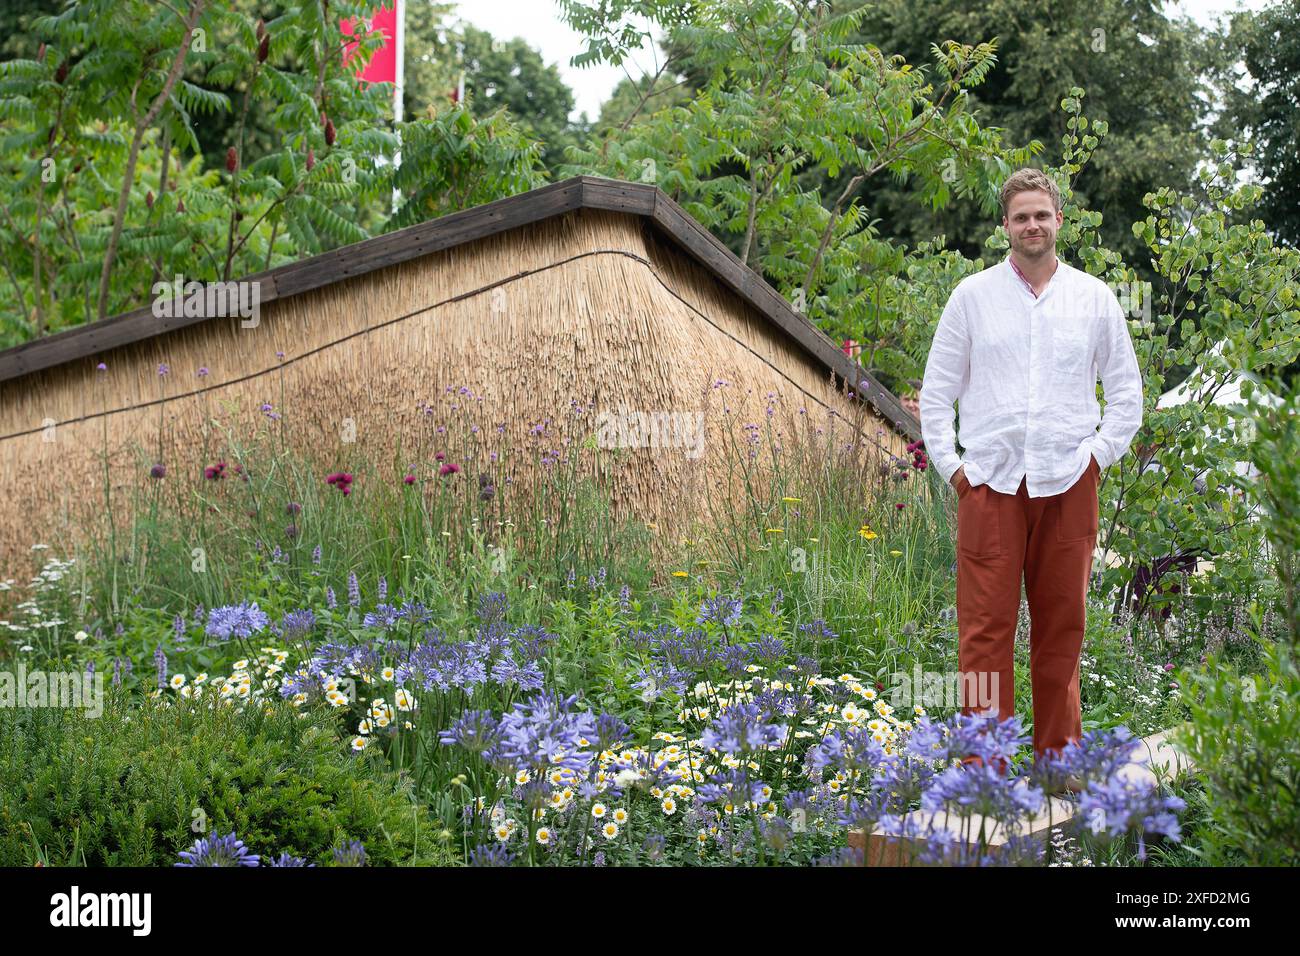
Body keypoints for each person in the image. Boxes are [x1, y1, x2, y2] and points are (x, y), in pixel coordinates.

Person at [919, 168, 1143, 784]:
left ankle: (1059, 765)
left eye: (1042, 214)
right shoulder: (971, 297)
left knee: (1062, 626)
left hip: (1069, 482)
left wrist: (1096, 459)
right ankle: (985, 771)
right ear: (1005, 227)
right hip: (990, 486)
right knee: (985, 634)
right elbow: (936, 397)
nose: (1032, 225)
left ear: (1058, 221)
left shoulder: (1094, 299)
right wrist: (956, 471)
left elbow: (1127, 396)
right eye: (1021, 216)